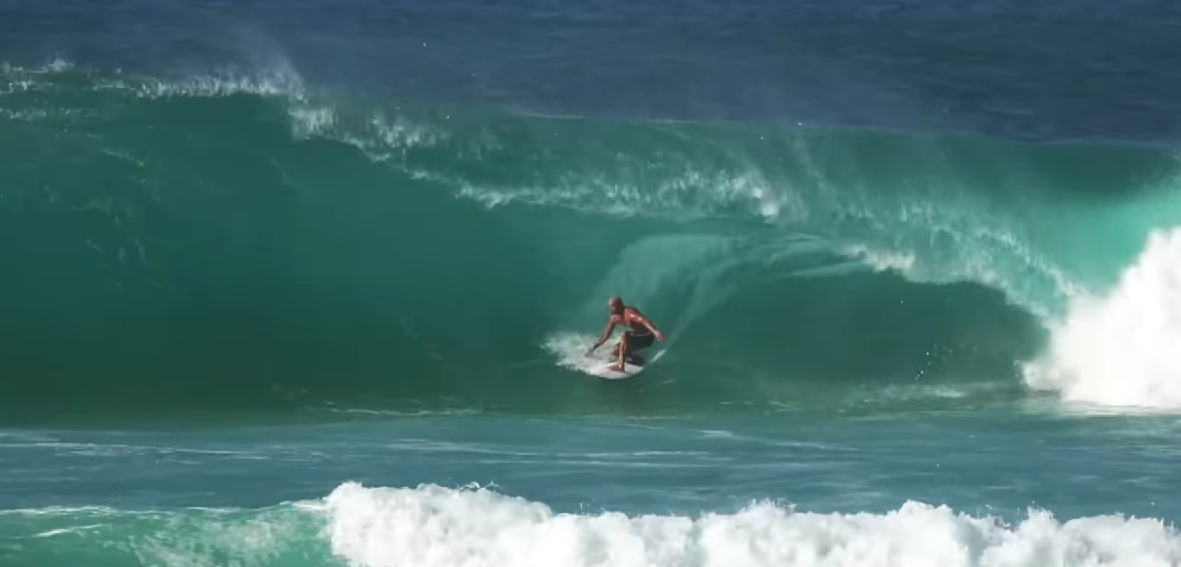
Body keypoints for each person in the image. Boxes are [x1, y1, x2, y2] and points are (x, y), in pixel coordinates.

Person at [587, 296, 666, 372]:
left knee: (624, 335)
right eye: (610, 306)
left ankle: (621, 366)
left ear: (620, 306)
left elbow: (644, 320)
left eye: (613, 306)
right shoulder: (614, 318)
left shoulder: (629, 313)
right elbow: (607, 333)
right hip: (638, 336)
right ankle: (638, 359)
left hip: (648, 336)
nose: (611, 309)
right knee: (616, 350)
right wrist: (596, 346)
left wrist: (656, 332)